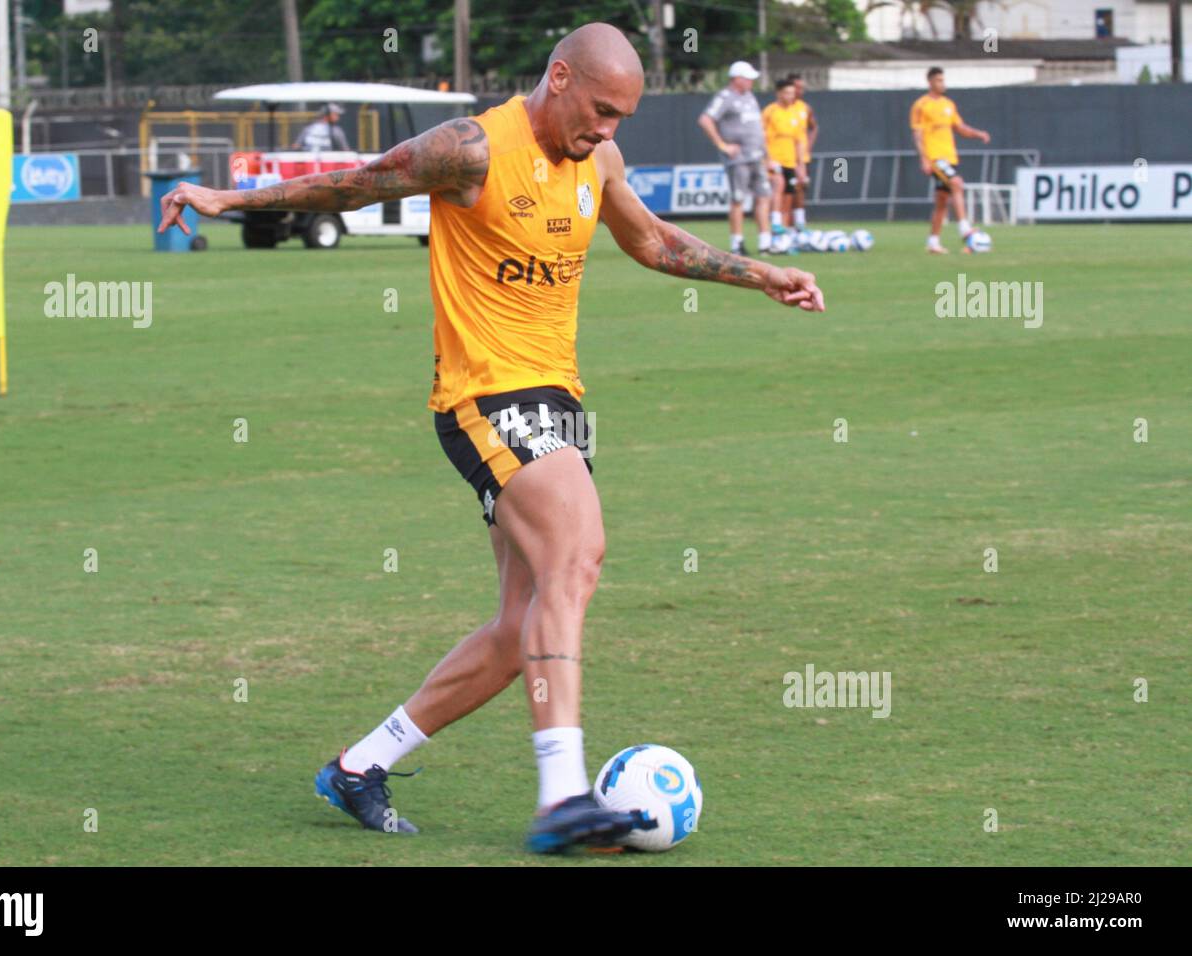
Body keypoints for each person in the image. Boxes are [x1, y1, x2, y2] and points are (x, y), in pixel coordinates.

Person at [158, 22, 824, 854]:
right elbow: (360, 183)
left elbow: (652, 240)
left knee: (521, 629)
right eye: (601, 110)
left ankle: (361, 766)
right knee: (578, 556)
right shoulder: (470, 150)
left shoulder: (599, 162)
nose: (608, 130)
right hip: (484, 396)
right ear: (559, 78)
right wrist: (229, 201)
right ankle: (561, 798)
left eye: (623, 118)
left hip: (559, 403)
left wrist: (763, 274)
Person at [910, 67, 991, 254]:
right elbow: (918, 134)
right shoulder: (921, 105)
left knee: (942, 201)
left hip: (949, 157)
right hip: (935, 158)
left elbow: (959, 127)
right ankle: (964, 228)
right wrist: (924, 159)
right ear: (930, 82)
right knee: (956, 182)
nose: (942, 84)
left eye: (943, 80)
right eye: (938, 80)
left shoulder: (948, 104)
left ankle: (933, 242)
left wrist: (978, 134)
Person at [698, 60, 772, 255]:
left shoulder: (749, 97)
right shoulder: (725, 96)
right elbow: (706, 119)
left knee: (764, 196)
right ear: (737, 78)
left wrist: (767, 155)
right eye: (748, 78)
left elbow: (757, 128)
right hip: (739, 159)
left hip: (757, 156)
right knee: (738, 199)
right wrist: (722, 145)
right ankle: (737, 243)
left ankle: (766, 242)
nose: (751, 82)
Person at [761, 79, 808, 238]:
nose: (791, 96)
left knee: (789, 197)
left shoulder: (795, 113)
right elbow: (762, 138)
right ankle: (772, 226)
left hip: (790, 161)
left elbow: (799, 140)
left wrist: (800, 164)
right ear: (779, 93)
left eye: (792, 93)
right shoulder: (770, 112)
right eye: (787, 93)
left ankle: (784, 236)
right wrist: (768, 160)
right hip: (775, 160)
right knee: (777, 190)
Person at [787, 74, 818, 235]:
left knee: (800, 189)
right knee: (786, 192)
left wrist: (808, 146)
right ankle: (786, 227)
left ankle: (800, 224)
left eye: (802, 88)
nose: (800, 91)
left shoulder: (805, 108)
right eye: (797, 87)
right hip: (784, 157)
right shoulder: (780, 109)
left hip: (801, 158)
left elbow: (814, 127)